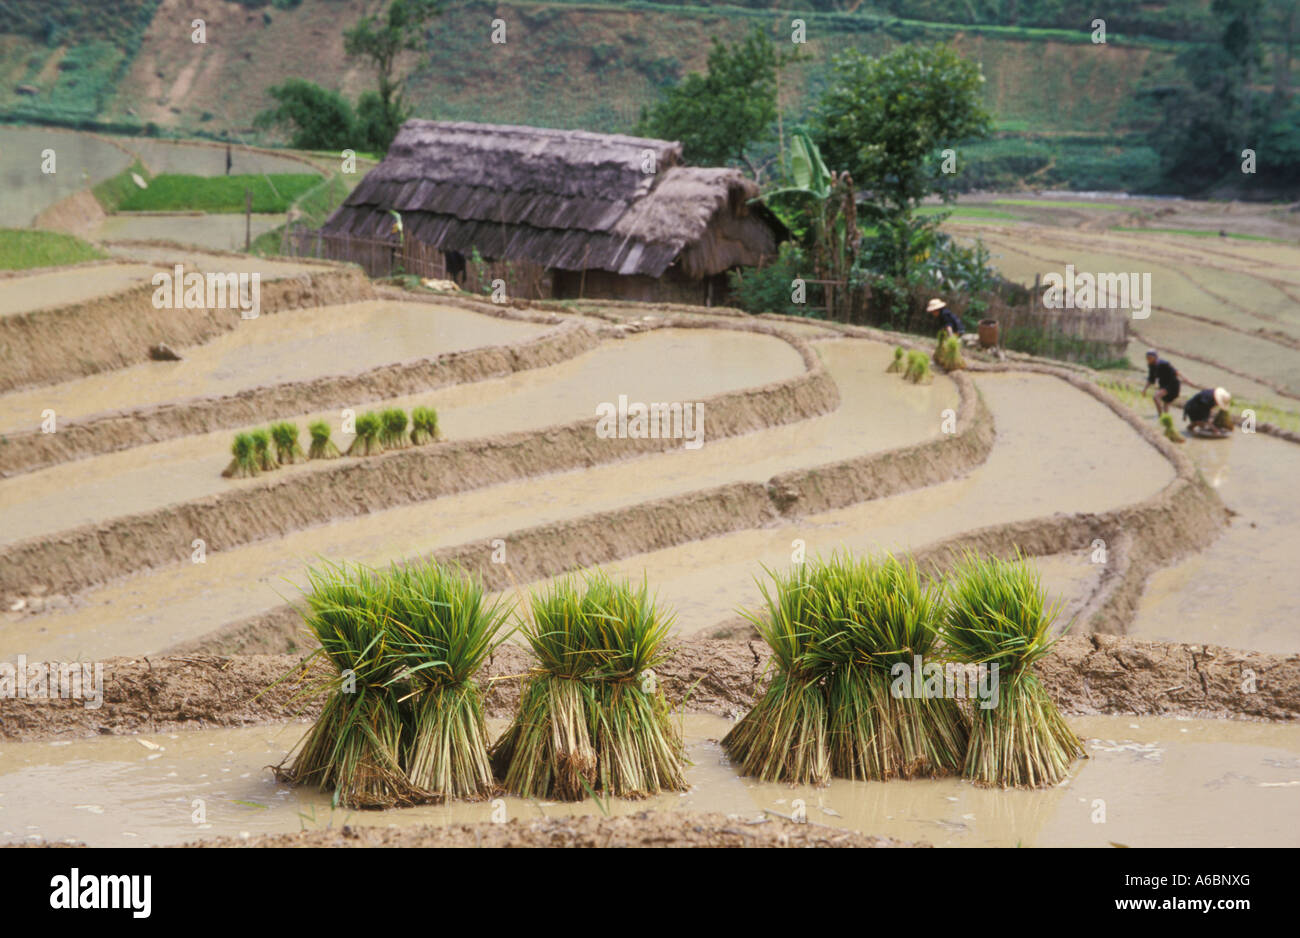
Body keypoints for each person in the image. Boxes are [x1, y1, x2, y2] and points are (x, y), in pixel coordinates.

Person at [1143, 349, 1184, 416]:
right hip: (1164, 385)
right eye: (1147, 358)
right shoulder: (1151, 366)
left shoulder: (1163, 364)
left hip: (1172, 385)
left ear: (1155, 357)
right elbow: (1151, 379)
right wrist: (1144, 389)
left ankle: (1160, 415)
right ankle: (1164, 418)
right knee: (1166, 404)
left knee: (1156, 397)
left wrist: (1186, 380)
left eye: (1150, 357)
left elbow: (1176, 372)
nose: (1148, 359)